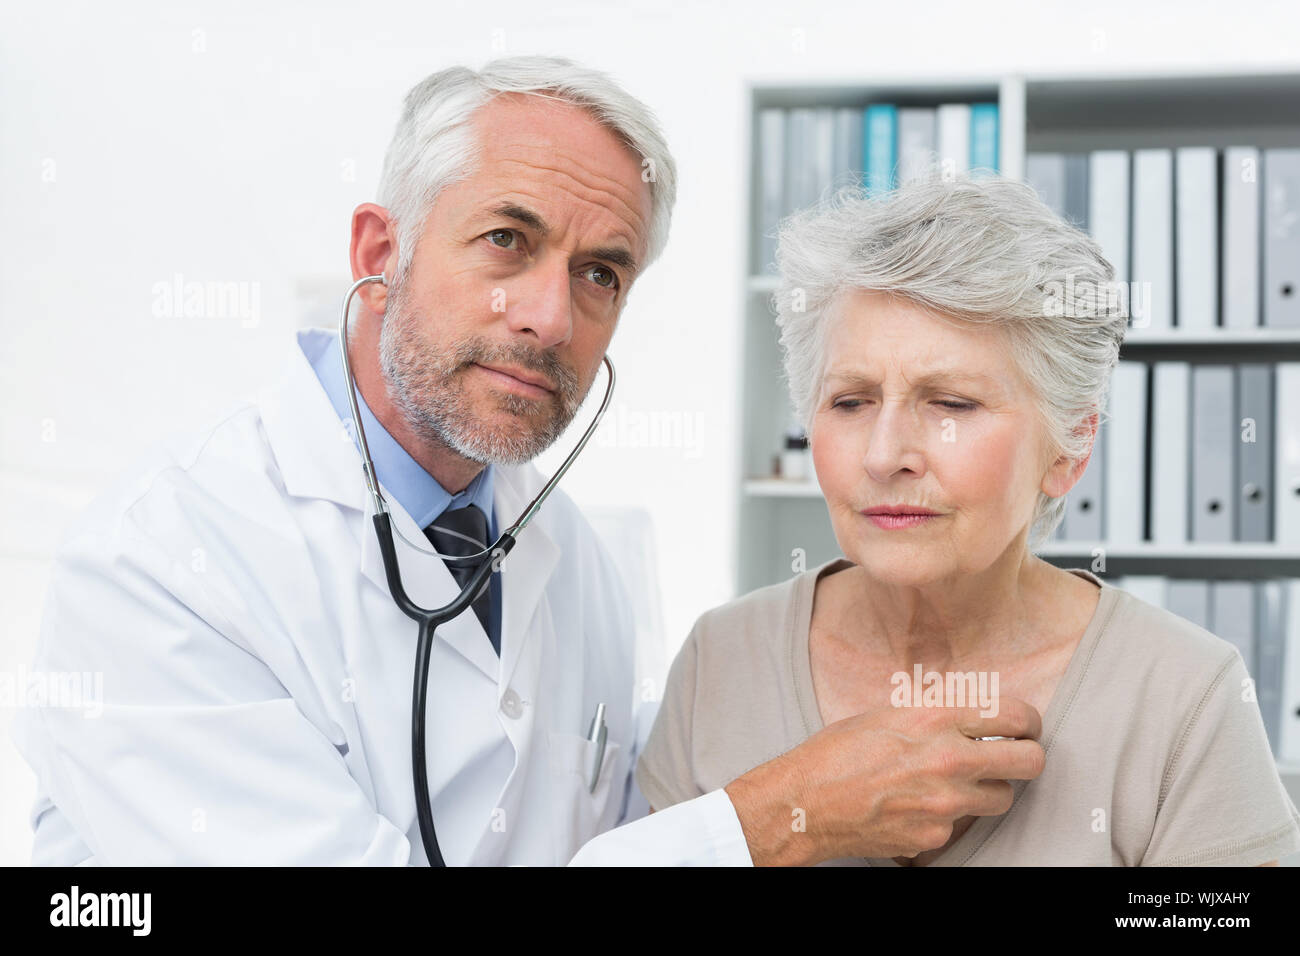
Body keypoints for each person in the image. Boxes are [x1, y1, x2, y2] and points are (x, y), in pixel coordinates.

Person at [11, 57, 1047, 866]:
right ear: (381, 251)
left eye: (601, 272)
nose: (551, 317)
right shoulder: (164, 562)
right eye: (507, 239)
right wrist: (776, 819)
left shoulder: (568, 555)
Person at [636, 170, 1300, 866]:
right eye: (851, 402)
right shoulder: (721, 660)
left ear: (1068, 450)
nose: (885, 455)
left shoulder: (1184, 694)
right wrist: (798, 817)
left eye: (951, 404)